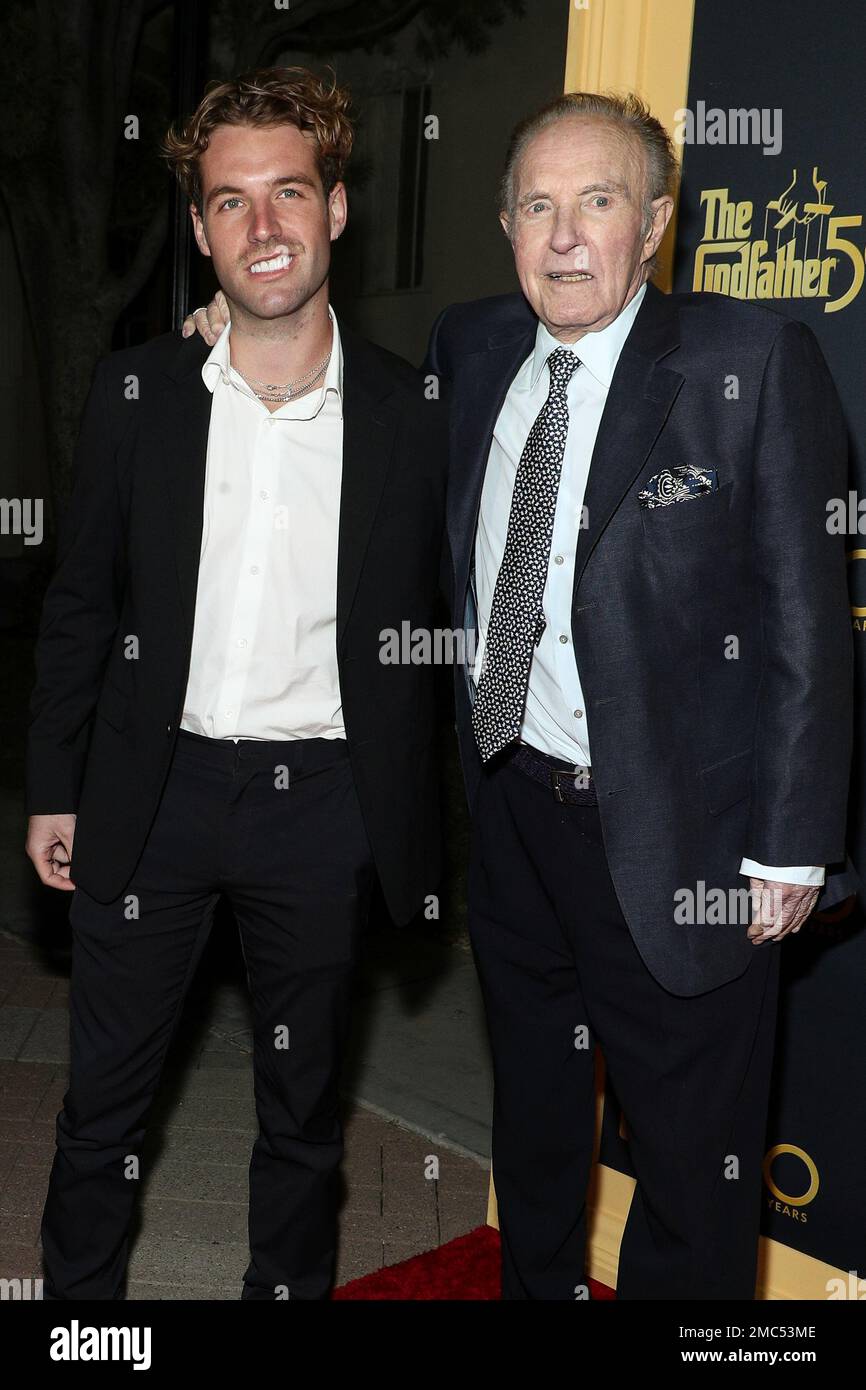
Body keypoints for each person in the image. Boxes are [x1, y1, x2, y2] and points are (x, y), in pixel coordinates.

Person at [188, 91, 853, 1300]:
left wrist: (790, 848)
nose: (562, 236)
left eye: (594, 202)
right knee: (538, 1133)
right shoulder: (472, 346)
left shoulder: (746, 363)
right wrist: (232, 332)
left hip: (681, 842)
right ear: (504, 226)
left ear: (649, 223)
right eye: (536, 206)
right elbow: (362, 425)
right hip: (512, 816)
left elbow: (809, 614)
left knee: (691, 1174)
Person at [25, 66, 447, 1300]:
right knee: (102, 1109)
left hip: (320, 805)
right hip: (152, 793)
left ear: (335, 211)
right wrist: (55, 784)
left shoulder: (411, 413)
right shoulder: (138, 393)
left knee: (303, 1114)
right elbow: (82, 605)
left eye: (287, 194)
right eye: (228, 202)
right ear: (201, 228)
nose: (262, 227)